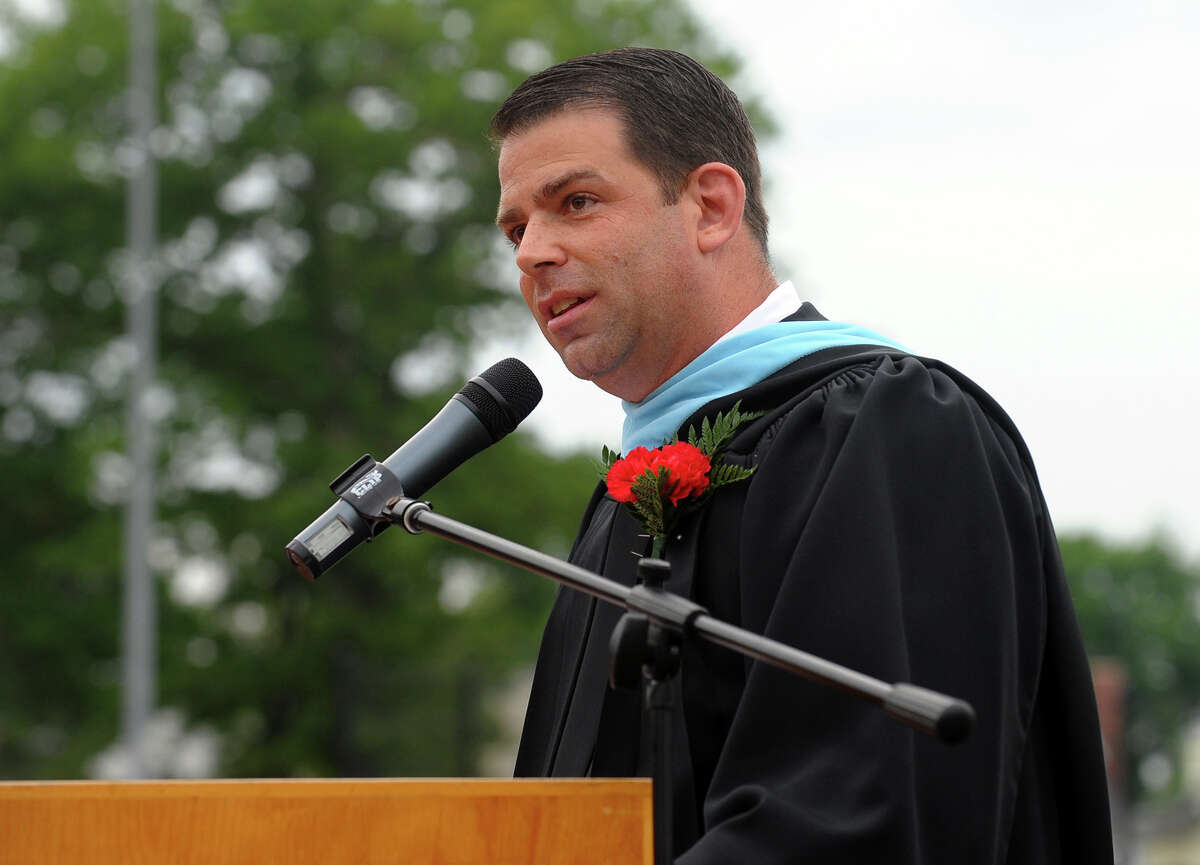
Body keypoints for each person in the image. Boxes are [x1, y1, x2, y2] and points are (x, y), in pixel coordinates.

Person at [490, 47, 1113, 863]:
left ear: (711, 207)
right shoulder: (628, 492)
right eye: (516, 228)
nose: (531, 252)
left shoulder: (884, 427)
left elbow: (861, 815)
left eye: (575, 201)